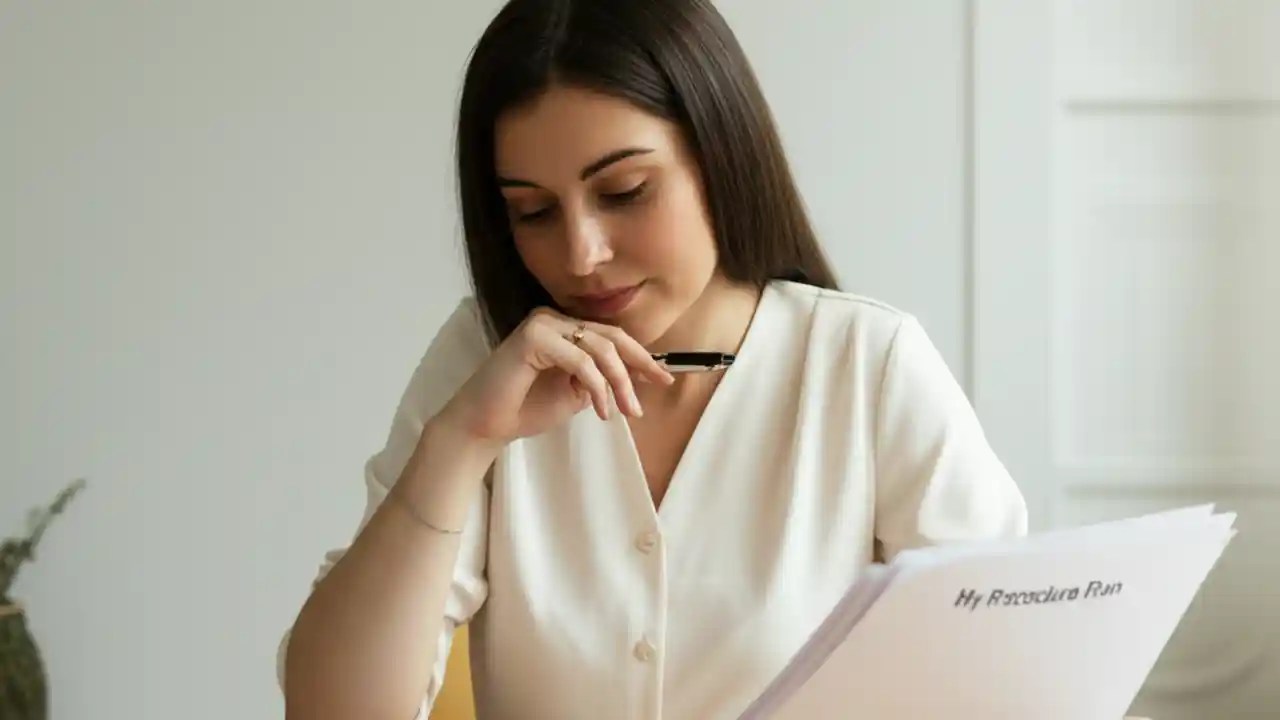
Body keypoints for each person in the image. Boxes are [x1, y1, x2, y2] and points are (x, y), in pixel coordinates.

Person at [278, 0, 1028, 718]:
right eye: (532, 211)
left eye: (625, 191)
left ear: (720, 156)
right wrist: (460, 442)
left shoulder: (866, 365)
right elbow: (334, 711)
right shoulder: (485, 360)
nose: (581, 255)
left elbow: (1016, 680)